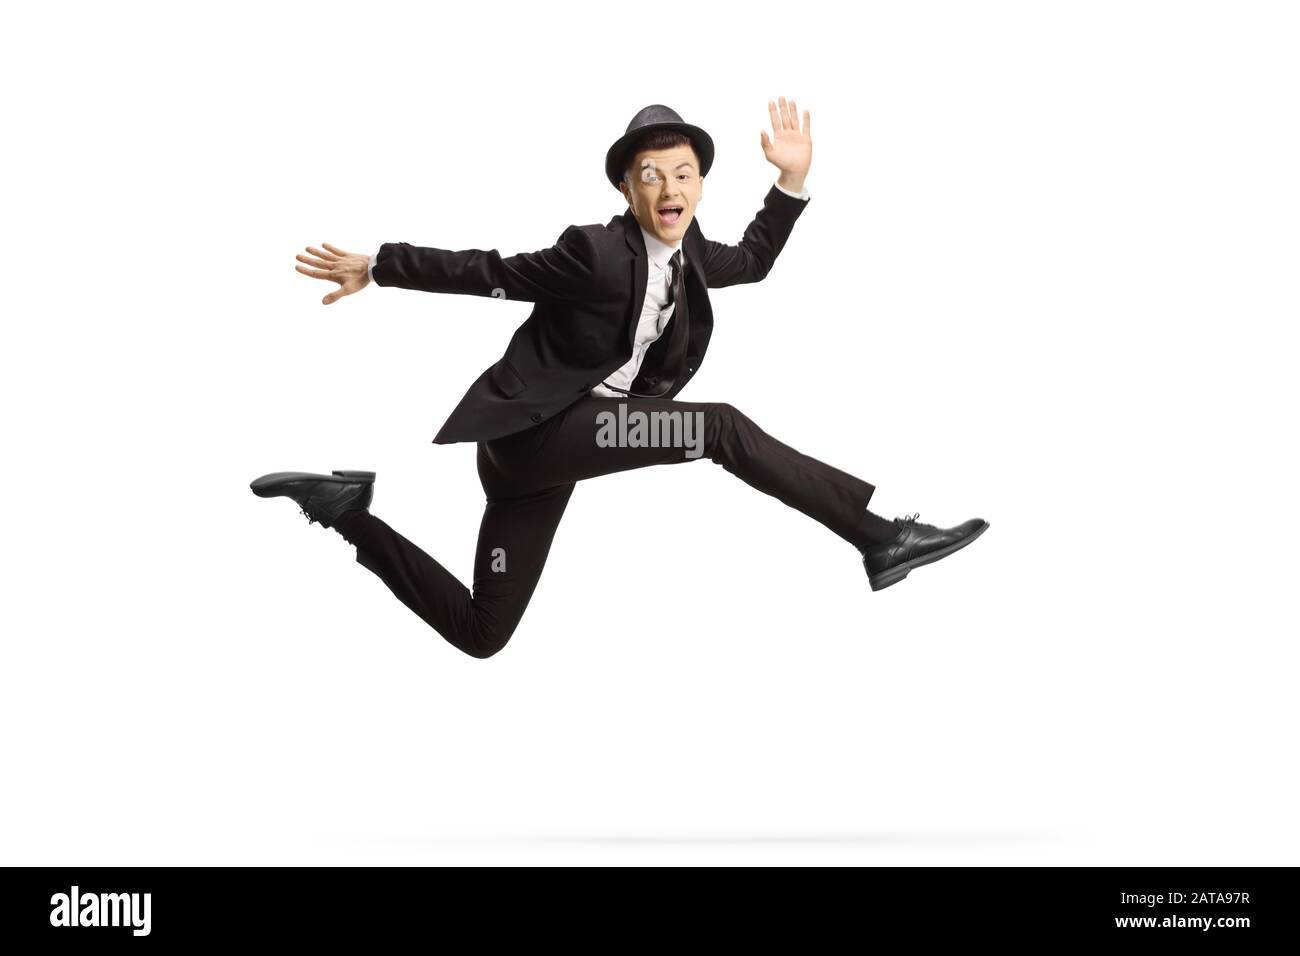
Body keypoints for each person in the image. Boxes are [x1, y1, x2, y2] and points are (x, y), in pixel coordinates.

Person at [251, 98, 988, 659]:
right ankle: (880, 538)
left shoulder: (691, 246)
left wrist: (791, 183)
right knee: (720, 427)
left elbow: (755, 261)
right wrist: (380, 265)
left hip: (544, 464)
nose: (670, 188)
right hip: (541, 433)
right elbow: (490, 271)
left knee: (484, 630)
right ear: (628, 190)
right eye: (651, 176)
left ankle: (345, 509)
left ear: (698, 186)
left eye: (684, 175)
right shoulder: (593, 254)